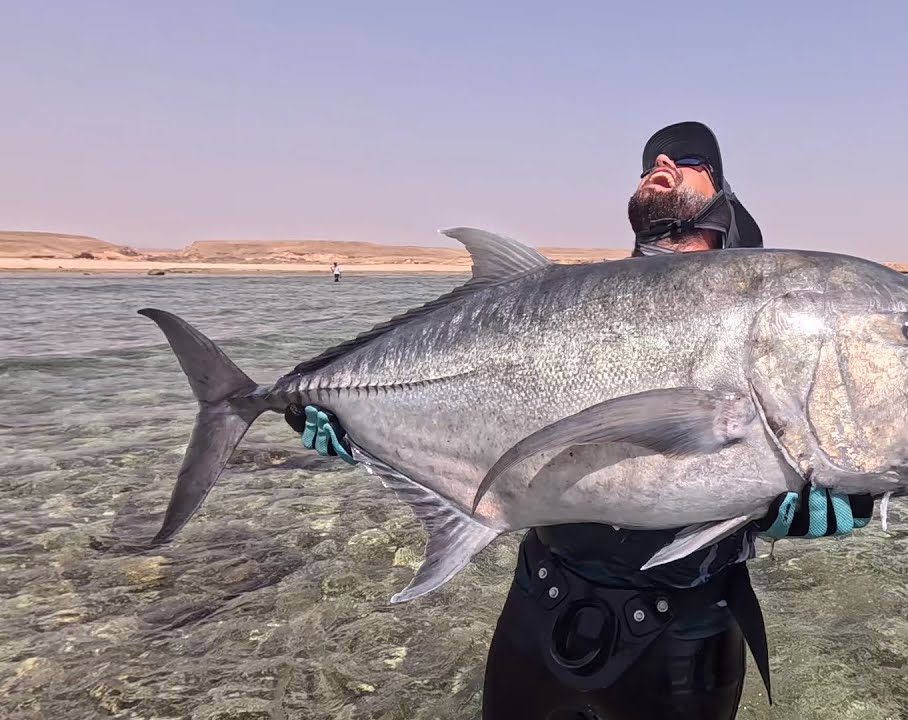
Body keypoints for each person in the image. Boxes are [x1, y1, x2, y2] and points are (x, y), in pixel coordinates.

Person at [286, 122, 875, 719]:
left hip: (686, 631)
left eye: (688, 157)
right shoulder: (565, 304)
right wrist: (363, 432)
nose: (660, 160)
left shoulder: (765, 319)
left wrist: (821, 488)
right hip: (539, 603)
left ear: (721, 192)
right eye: (648, 159)